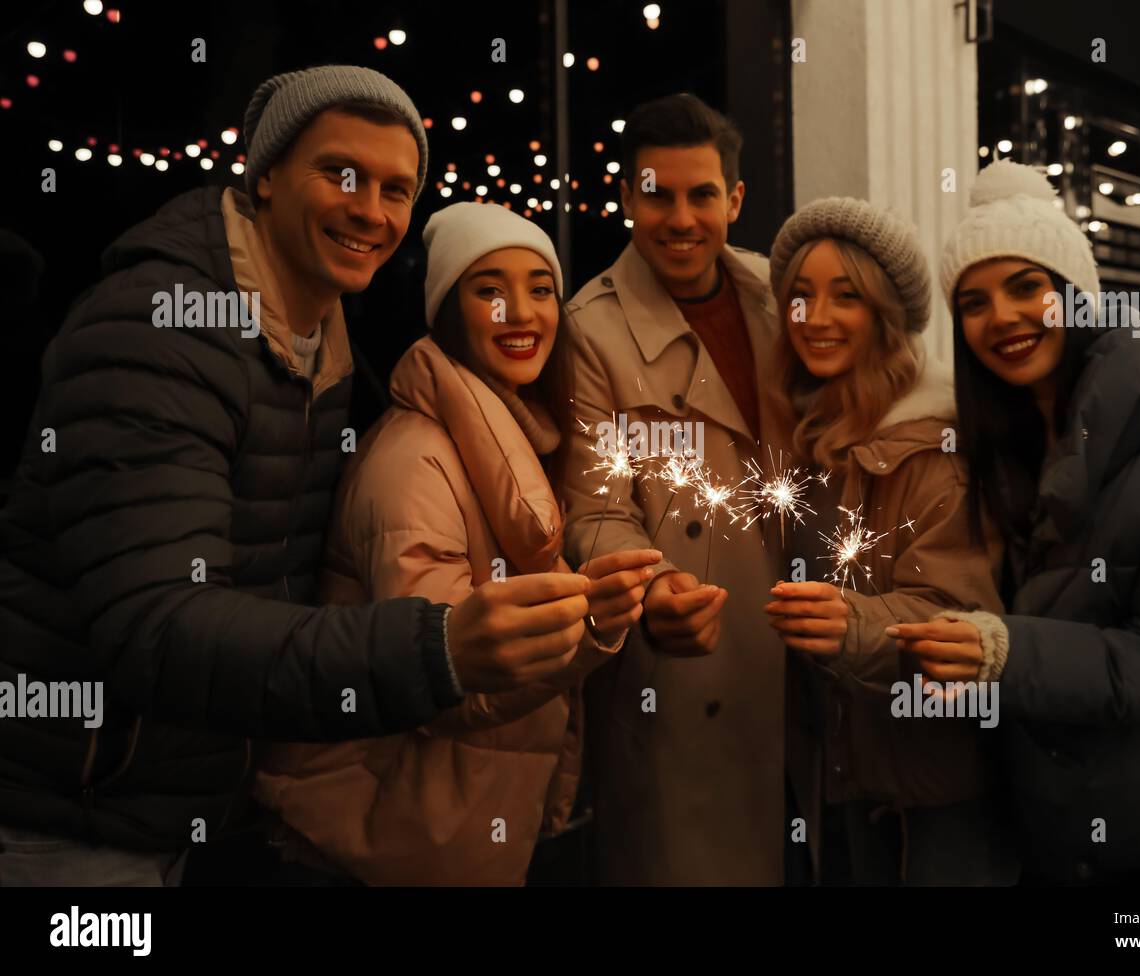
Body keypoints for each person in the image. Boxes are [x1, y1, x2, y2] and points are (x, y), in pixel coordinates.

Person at [0, 67, 589, 886]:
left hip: (199, 801)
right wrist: (436, 647)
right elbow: (158, 627)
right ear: (266, 174)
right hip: (82, 815)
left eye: (395, 188)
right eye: (340, 174)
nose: (370, 209)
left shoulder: (322, 345)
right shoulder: (160, 324)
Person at [890, 159, 1140, 884]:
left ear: (1077, 296)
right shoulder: (1009, 444)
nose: (1003, 319)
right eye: (975, 302)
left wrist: (1000, 652)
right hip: (1080, 831)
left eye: (1027, 287)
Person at [255, 203, 660, 884]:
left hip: (450, 834)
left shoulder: (518, 439)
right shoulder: (416, 461)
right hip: (384, 843)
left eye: (539, 288)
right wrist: (589, 624)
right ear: (446, 309)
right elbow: (445, 682)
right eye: (488, 290)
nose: (521, 313)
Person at [562, 93, 788, 883]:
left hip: (802, 656)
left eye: (701, 195)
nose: (680, 217)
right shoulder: (590, 326)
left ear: (734, 199)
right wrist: (655, 588)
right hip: (688, 674)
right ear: (627, 198)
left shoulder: (779, 298)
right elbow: (595, 508)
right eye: (657, 193)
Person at [764, 198, 1016, 885]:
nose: (815, 318)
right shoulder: (812, 430)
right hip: (844, 776)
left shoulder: (935, 447)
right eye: (800, 296)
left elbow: (958, 620)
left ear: (887, 313)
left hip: (928, 800)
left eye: (844, 296)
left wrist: (849, 624)